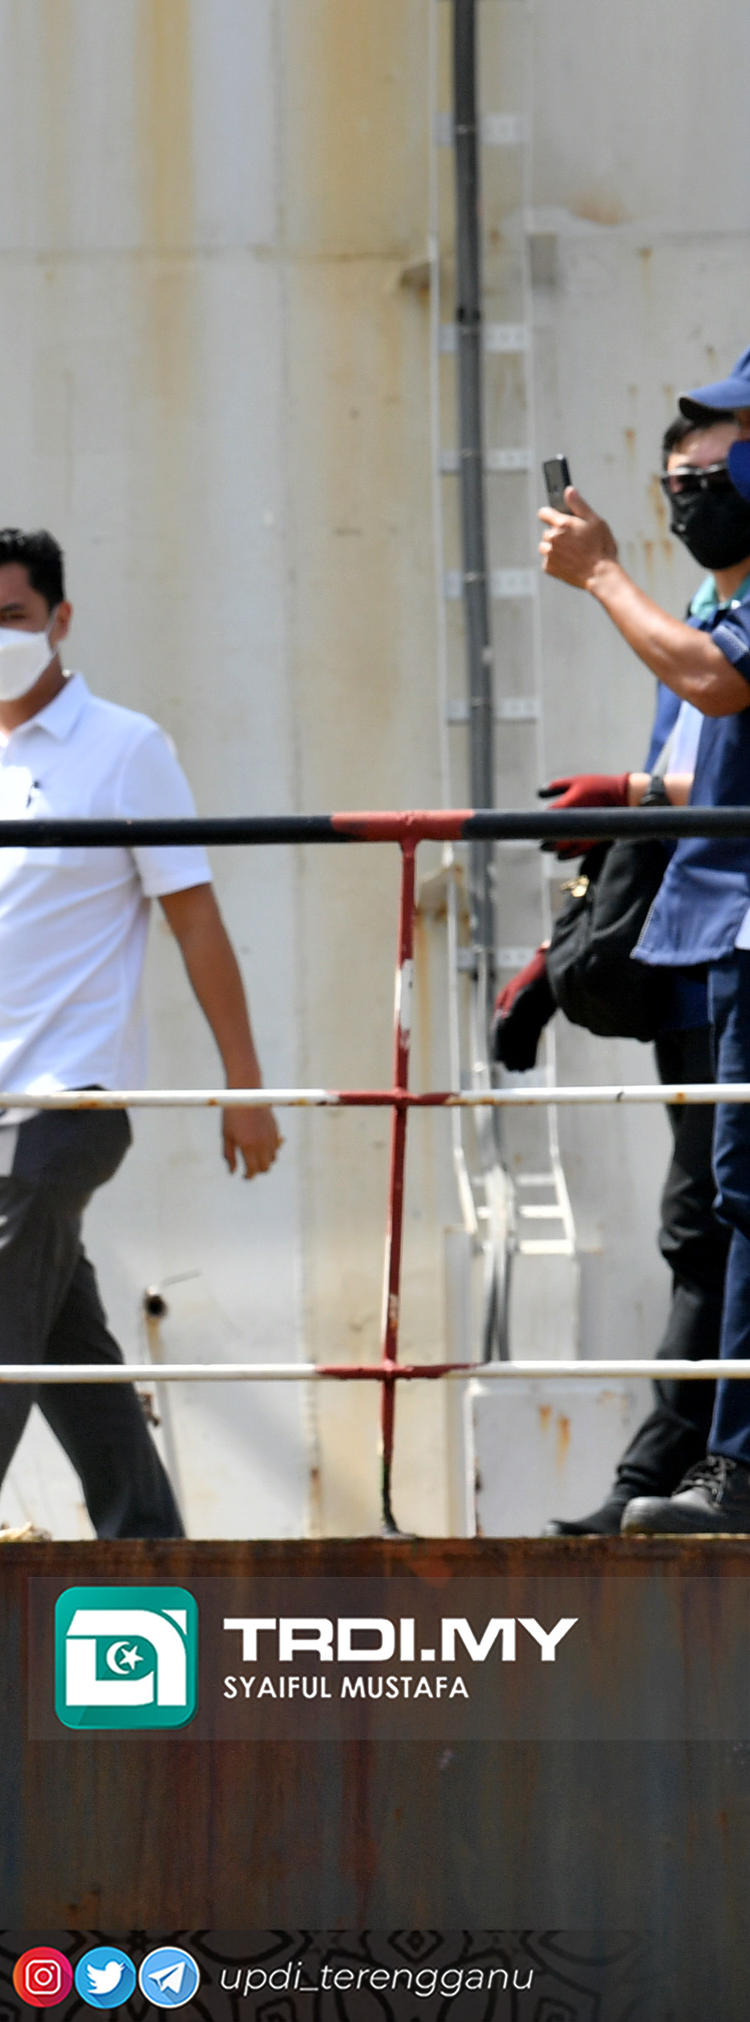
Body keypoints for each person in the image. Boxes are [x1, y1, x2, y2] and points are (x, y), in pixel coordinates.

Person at [0, 528, 280, 1539]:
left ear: (58, 620)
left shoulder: (125, 748)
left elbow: (193, 918)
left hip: (65, 1099)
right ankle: (148, 1540)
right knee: (64, 1348)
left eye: (11, 616)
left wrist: (243, 1083)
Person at [539, 356, 750, 1533]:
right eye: (681, 474)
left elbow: (713, 685)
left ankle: (719, 1477)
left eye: (716, 466)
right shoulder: (715, 606)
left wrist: (602, 573)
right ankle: (706, 1472)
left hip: (730, 931)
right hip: (706, 938)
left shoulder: (714, 623)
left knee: (726, 1207)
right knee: (718, 1210)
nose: (696, 491)